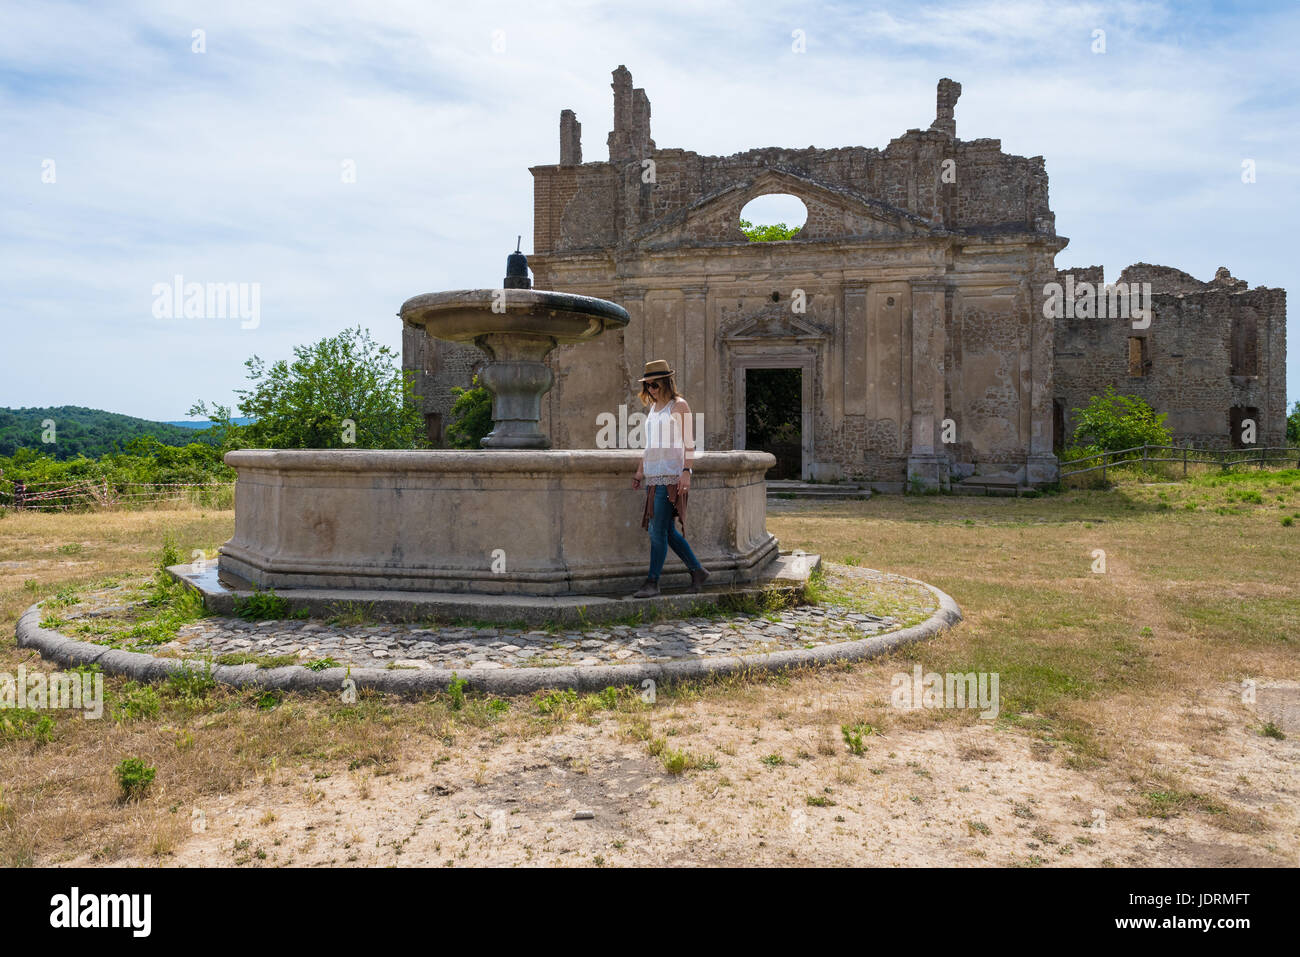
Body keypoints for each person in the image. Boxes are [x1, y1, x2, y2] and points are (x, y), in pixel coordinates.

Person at [630, 360, 709, 597]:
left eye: (654, 385)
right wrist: (639, 471)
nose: (651, 390)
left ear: (666, 382)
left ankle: (652, 582)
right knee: (666, 531)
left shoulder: (679, 406)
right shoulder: (653, 409)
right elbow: (650, 445)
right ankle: (697, 571)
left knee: (657, 530)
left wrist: (687, 472)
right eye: (647, 386)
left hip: (671, 476)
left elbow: (689, 443)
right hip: (653, 476)